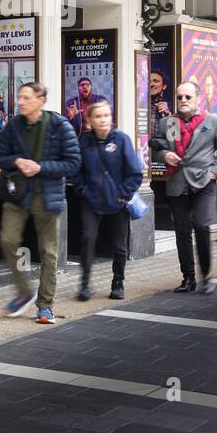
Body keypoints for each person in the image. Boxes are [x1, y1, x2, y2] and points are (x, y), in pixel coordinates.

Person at [0, 82, 81, 324]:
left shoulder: (59, 126)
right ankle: (24, 293)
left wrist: (41, 167)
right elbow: (0, 158)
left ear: (41, 100)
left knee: (49, 253)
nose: (21, 102)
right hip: (19, 195)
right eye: (20, 97)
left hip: (48, 195)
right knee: (7, 240)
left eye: (26, 98)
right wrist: (18, 161)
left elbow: (73, 163)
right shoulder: (14, 125)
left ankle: (45, 306)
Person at [150, 81, 217, 293]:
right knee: (182, 231)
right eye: (179, 97)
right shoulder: (167, 123)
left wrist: (214, 172)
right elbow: (156, 147)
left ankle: (207, 274)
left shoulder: (213, 122)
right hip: (177, 183)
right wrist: (165, 155)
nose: (183, 100)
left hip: (204, 181)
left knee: (201, 226)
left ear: (197, 99)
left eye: (187, 97)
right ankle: (189, 278)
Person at [74, 101, 142, 301]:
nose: (103, 119)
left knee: (119, 245)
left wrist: (124, 194)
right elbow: (76, 171)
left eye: (106, 115)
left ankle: (118, 282)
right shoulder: (84, 142)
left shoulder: (121, 139)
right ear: (89, 120)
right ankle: (85, 284)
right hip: (91, 201)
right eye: (98, 116)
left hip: (117, 202)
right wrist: (82, 190)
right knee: (88, 239)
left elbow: (135, 173)